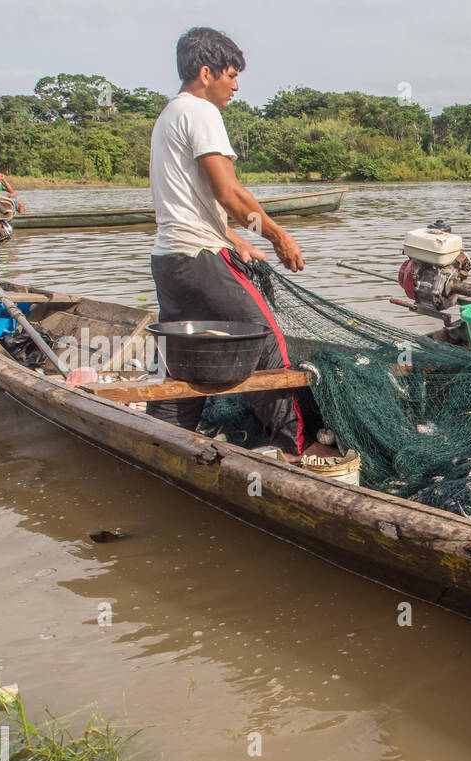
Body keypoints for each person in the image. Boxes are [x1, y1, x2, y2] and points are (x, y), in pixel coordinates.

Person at [147, 26, 334, 462]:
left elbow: (192, 203)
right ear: (206, 71)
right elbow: (229, 193)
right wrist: (277, 235)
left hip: (171, 261)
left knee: (184, 359)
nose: (235, 85)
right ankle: (294, 449)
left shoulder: (170, 114)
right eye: (231, 75)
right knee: (266, 342)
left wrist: (235, 241)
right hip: (200, 261)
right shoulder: (201, 111)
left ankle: (158, 438)